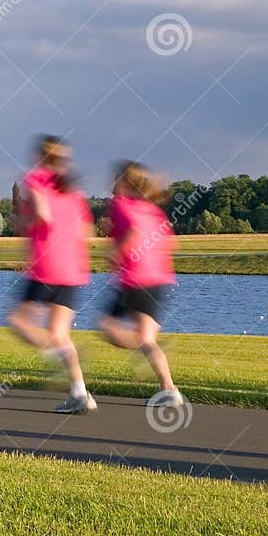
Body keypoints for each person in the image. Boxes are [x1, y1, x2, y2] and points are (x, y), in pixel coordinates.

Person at [8, 135, 97, 414]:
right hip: (74, 268)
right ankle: (79, 393)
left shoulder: (35, 179)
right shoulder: (72, 190)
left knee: (18, 322)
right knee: (60, 333)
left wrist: (20, 220)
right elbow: (87, 232)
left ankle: (58, 354)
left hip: (47, 264)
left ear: (41, 157)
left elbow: (42, 215)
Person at [99, 160, 183, 406]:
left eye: (116, 179)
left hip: (135, 279)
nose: (112, 184)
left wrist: (118, 255)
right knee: (146, 339)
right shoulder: (153, 210)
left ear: (124, 182)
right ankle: (168, 387)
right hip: (160, 279)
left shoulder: (120, 205)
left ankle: (157, 364)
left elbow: (133, 232)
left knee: (109, 329)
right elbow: (170, 242)